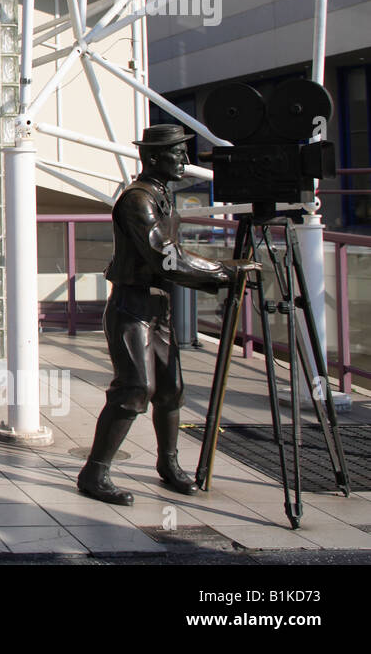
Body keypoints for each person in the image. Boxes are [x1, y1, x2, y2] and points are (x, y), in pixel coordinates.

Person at [76, 123, 250, 506]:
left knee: (171, 390)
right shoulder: (138, 200)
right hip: (132, 305)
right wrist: (223, 273)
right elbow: (166, 258)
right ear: (154, 158)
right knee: (135, 388)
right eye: (177, 153)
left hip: (158, 305)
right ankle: (94, 472)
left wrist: (221, 271)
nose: (185, 160)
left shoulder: (162, 195)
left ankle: (168, 464)